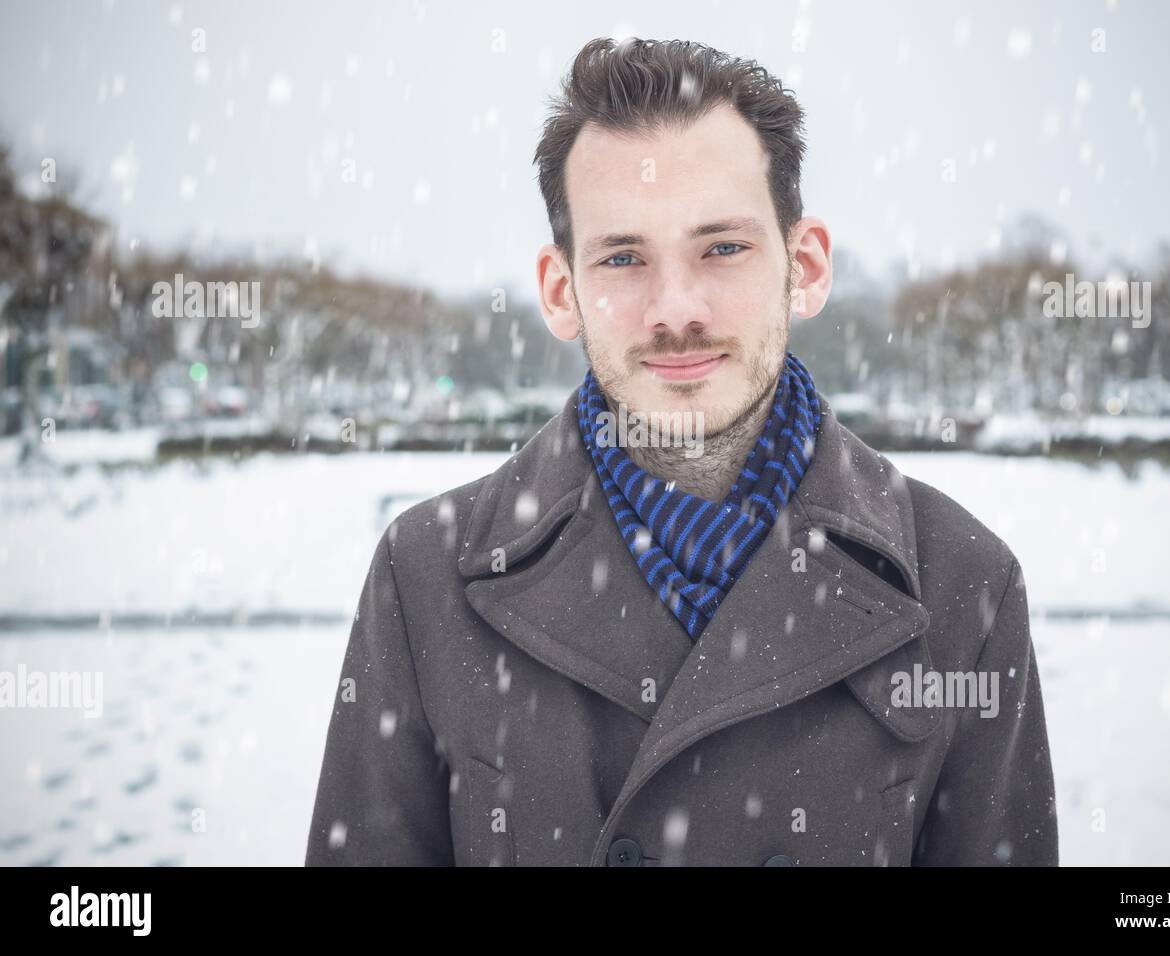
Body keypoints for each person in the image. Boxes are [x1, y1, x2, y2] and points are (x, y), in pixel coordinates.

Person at [305, 36, 1057, 866]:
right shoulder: (425, 580)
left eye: (722, 247)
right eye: (624, 258)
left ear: (802, 266)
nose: (676, 309)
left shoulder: (964, 585)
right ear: (563, 291)